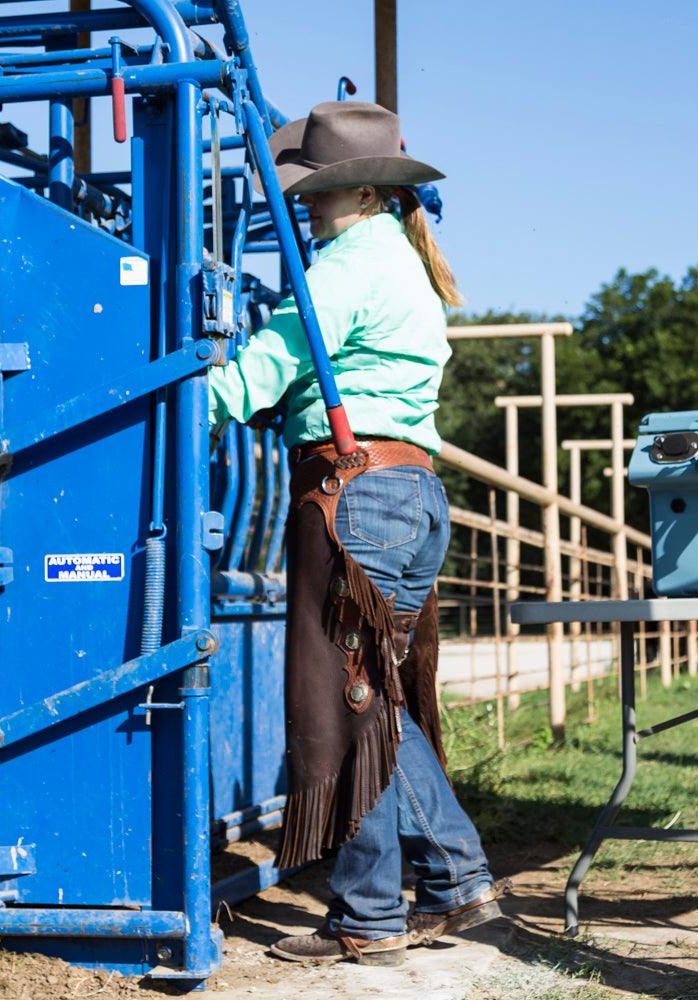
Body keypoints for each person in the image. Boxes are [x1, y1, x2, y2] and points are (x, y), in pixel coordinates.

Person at [207, 102, 504, 966]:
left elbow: (283, 352)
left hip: (351, 493)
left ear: (361, 191)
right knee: (376, 698)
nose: (306, 205)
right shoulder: (401, 264)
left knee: (351, 704)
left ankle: (376, 912)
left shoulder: (345, 264)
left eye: (318, 192)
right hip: (405, 488)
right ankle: (452, 880)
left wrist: (197, 403)